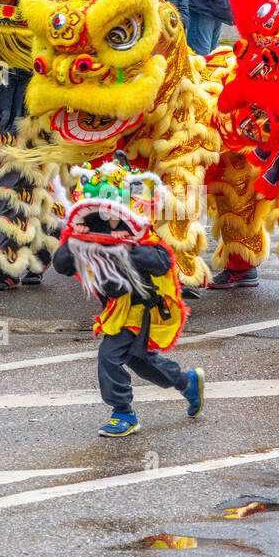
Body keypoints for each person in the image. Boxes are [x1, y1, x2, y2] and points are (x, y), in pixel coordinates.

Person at [51, 161, 204, 437]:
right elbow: (61, 265)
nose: (107, 221)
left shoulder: (140, 235)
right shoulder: (86, 237)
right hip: (115, 309)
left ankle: (122, 412)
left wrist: (124, 249)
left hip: (142, 309)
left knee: (109, 356)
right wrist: (76, 242)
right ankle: (187, 382)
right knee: (141, 361)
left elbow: (161, 261)